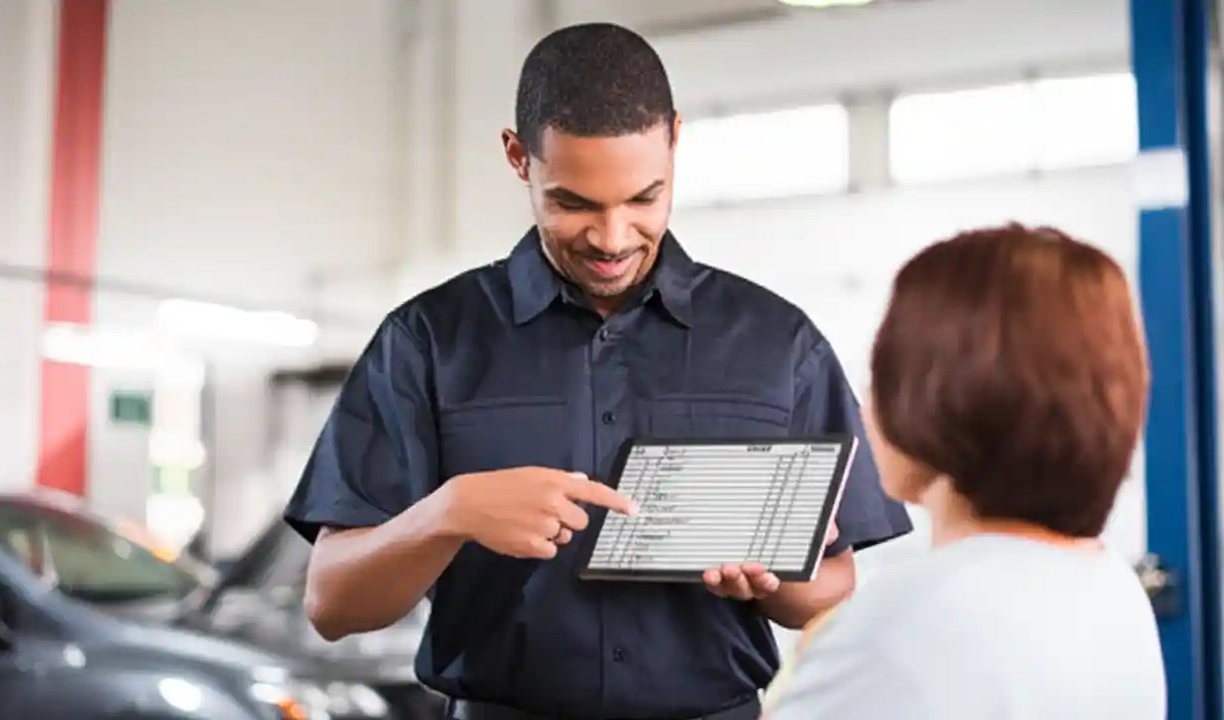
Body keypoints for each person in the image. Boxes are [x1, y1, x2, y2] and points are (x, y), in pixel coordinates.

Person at [283, 22, 911, 720]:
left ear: (675, 138)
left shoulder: (779, 343)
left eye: (644, 199)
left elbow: (834, 584)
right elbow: (332, 604)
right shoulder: (427, 341)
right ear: (519, 158)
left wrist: (767, 583)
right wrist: (449, 513)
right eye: (573, 203)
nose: (613, 239)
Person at [767, 224, 1167, 719]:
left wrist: (809, 666)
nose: (866, 401)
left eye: (880, 372)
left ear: (932, 394)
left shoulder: (901, 619)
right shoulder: (1111, 585)